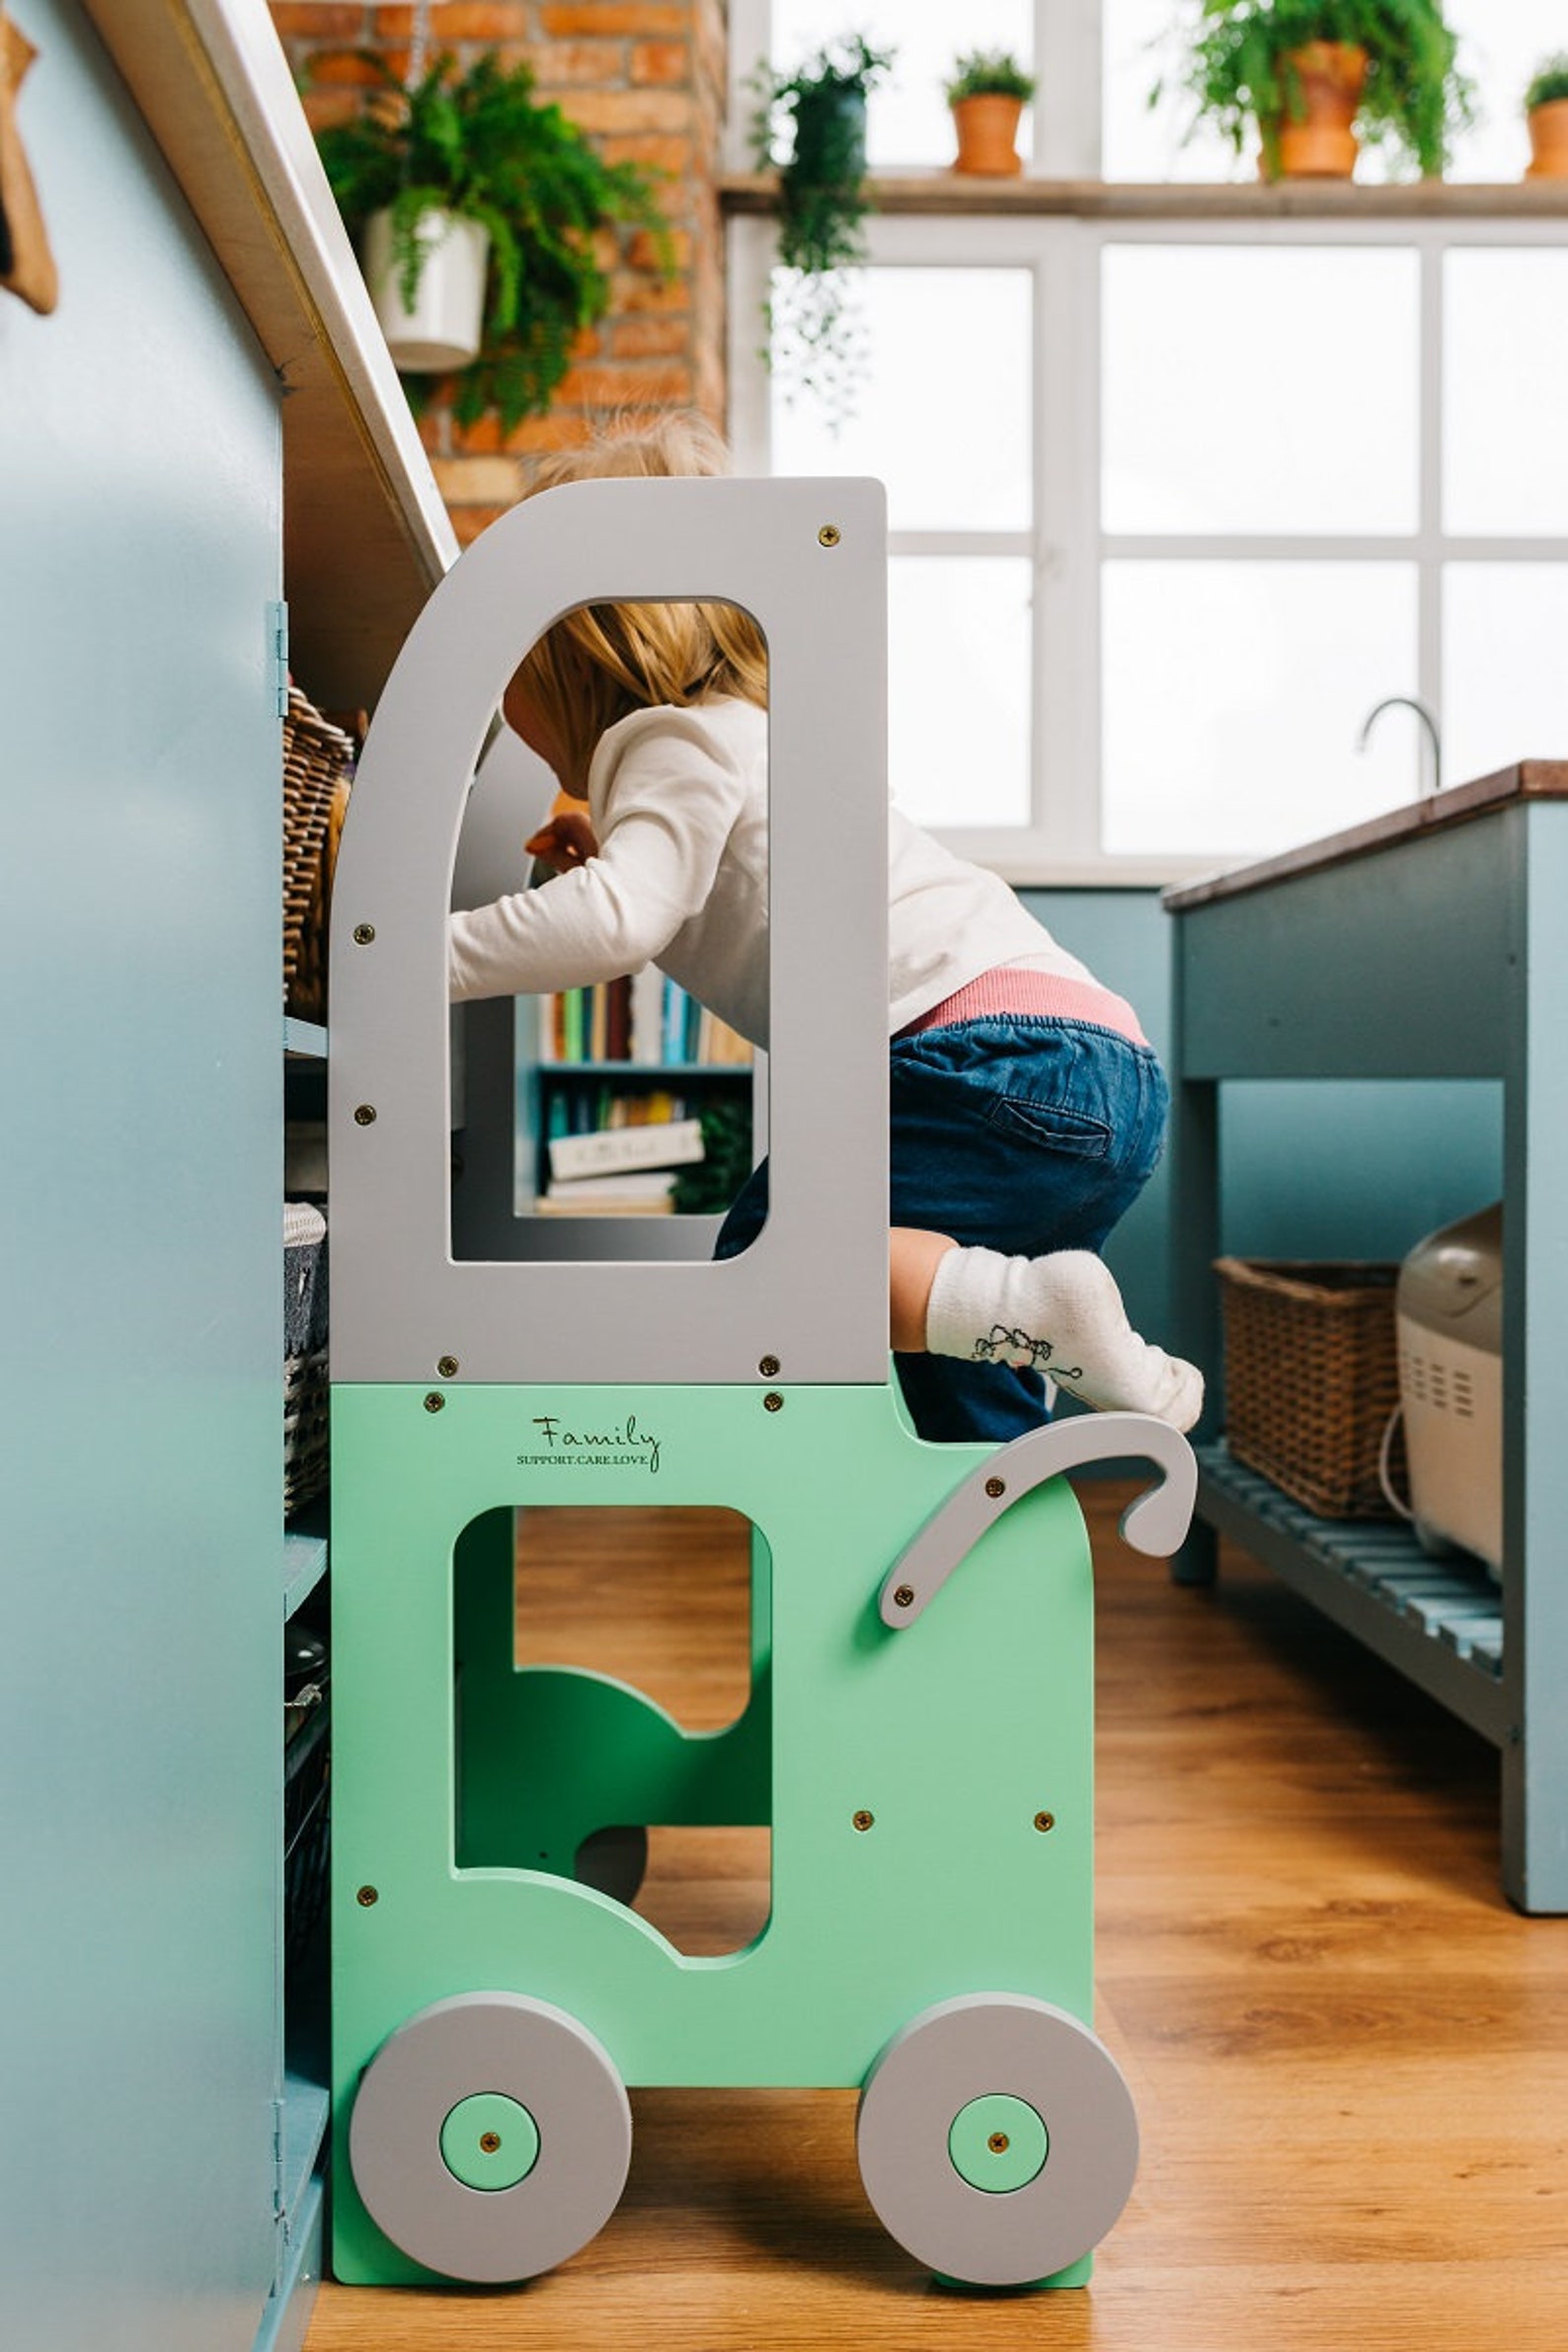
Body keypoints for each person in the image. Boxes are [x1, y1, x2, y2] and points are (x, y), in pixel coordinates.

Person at [448, 412, 1201, 1443]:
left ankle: (1038, 1314)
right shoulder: (745, 740)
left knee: (775, 1252)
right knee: (939, 1362)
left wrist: (407, 965)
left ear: (581, 655)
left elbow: (617, 921)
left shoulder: (664, 737)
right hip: (1088, 1069)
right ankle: (985, 1528)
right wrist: (612, 832)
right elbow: (682, 868)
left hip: (985, 1065)